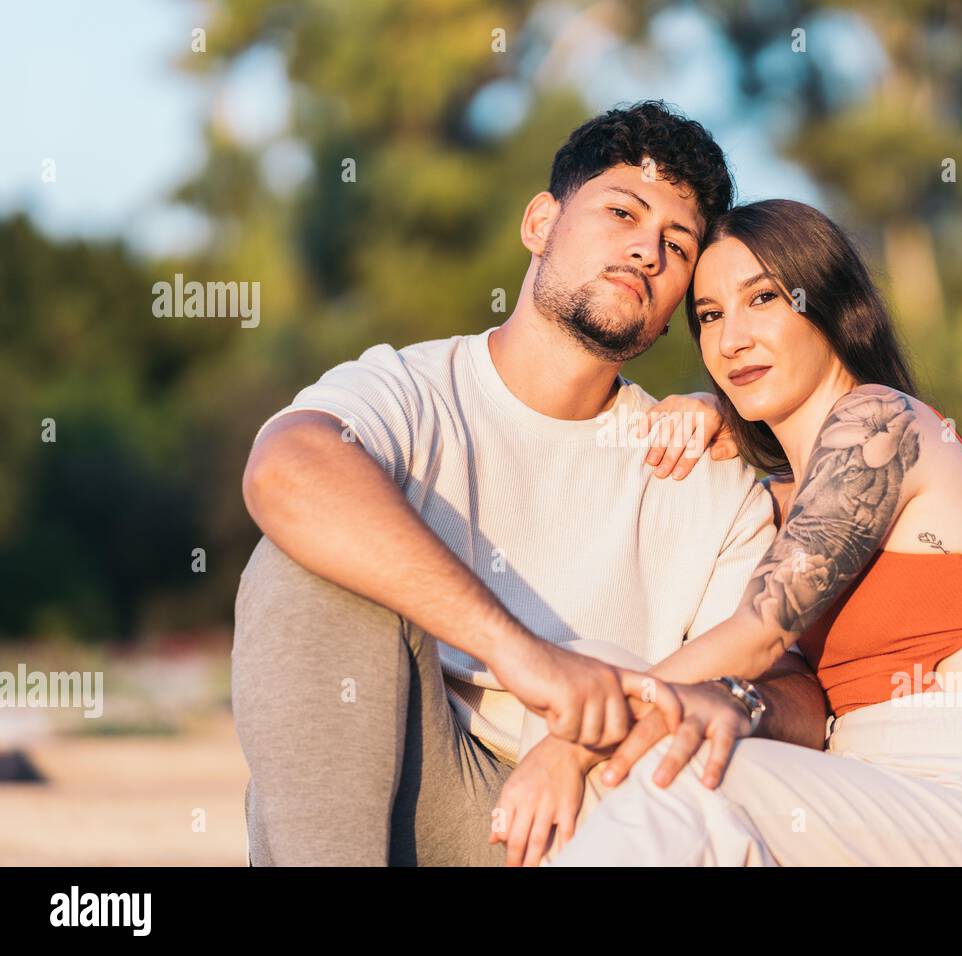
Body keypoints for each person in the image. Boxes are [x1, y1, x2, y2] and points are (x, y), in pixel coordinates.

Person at [230, 101, 831, 867]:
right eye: (621, 212)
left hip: (596, 821)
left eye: (676, 246)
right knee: (300, 565)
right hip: (411, 791)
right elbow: (286, 469)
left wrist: (597, 739)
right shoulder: (415, 389)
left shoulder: (705, 478)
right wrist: (516, 651)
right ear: (541, 223)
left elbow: (791, 694)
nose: (647, 250)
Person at [542, 198, 962, 866]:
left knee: (674, 764)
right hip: (860, 795)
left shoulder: (883, 425)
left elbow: (760, 630)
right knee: (626, 686)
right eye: (710, 315)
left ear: (832, 305)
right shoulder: (773, 505)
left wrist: (566, 748)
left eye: (764, 299)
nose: (731, 339)